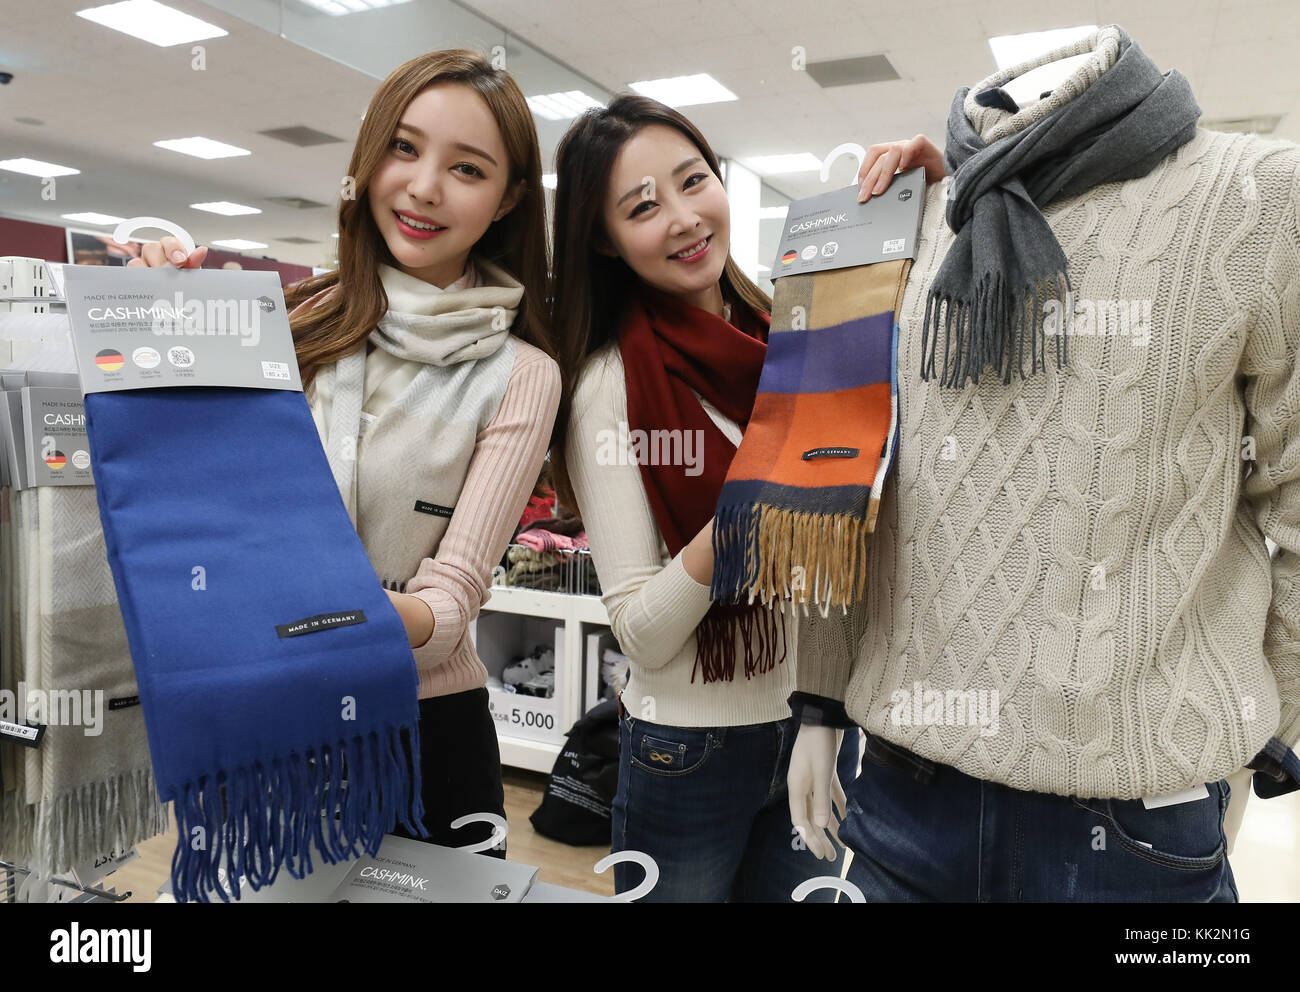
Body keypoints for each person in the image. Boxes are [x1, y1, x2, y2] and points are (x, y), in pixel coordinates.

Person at [133, 49, 561, 857]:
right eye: (403, 147)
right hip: (268, 718)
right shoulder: (282, 325)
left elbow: (444, 618)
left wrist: (300, 604)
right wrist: (163, 336)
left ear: (506, 200)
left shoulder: (520, 375)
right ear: (367, 160)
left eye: (466, 168)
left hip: (424, 739)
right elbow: (184, 508)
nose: (424, 186)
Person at [547, 93, 943, 901]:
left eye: (694, 181)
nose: (686, 218)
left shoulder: (793, 338)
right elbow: (640, 633)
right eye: (643, 207)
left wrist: (934, 206)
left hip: (820, 725)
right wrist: (749, 510)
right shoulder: (610, 385)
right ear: (605, 238)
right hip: (684, 751)